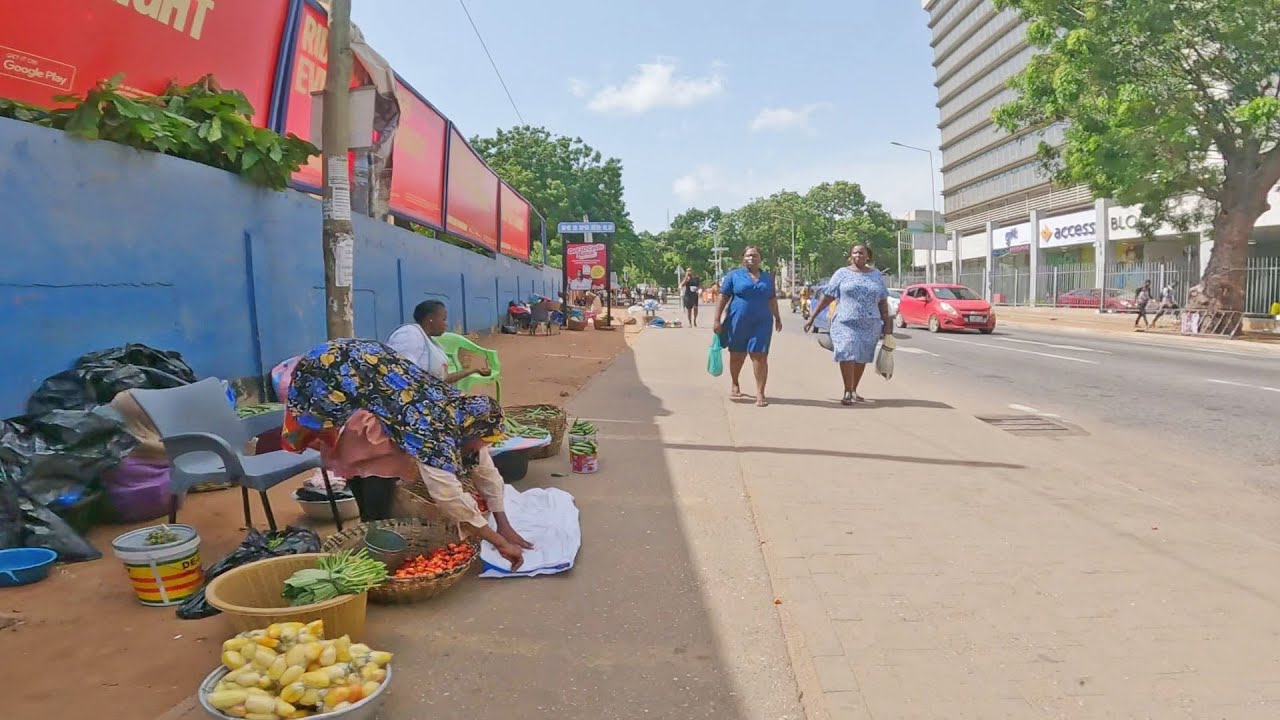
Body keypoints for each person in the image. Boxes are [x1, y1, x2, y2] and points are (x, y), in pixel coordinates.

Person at [282, 339, 532, 570]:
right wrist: (499, 542)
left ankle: (374, 527)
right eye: (481, 442)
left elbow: (485, 468)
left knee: (379, 462)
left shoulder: (462, 414)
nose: (480, 448)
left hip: (368, 368)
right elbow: (449, 498)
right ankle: (373, 533)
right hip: (329, 373)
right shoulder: (432, 433)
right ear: (472, 431)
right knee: (370, 463)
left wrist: (503, 523)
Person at [804, 245, 893, 406]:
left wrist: (887, 326)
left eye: (862, 252)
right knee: (847, 351)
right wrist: (812, 317)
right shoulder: (841, 274)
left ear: (868, 256)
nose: (858, 255)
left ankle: (853, 389)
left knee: (861, 357)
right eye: (855, 252)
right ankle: (847, 390)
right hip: (845, 322)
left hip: (870, 323)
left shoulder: (876, 275)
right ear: (851, 255)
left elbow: (882, 301)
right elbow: (828, 296)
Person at [714, 246, 782, 407]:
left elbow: (772, 299)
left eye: (755, 256)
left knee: (760, 355)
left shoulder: (767, 278)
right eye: (748, 256)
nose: (751, 258)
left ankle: (760, 393)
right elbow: (723, 297)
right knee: (737, 354)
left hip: (762, 322)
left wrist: (777, 318)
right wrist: (717, 320)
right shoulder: (734, 276)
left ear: (760, 259)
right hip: (737, 321)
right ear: (742, 258)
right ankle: (735, 382)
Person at [386, 300, 490, 384]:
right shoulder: (409, 334)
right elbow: (400, 373)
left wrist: (473, 370)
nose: (446, 324)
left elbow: (443, 380)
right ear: (430, 318)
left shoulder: (431, 342)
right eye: (443, 319)